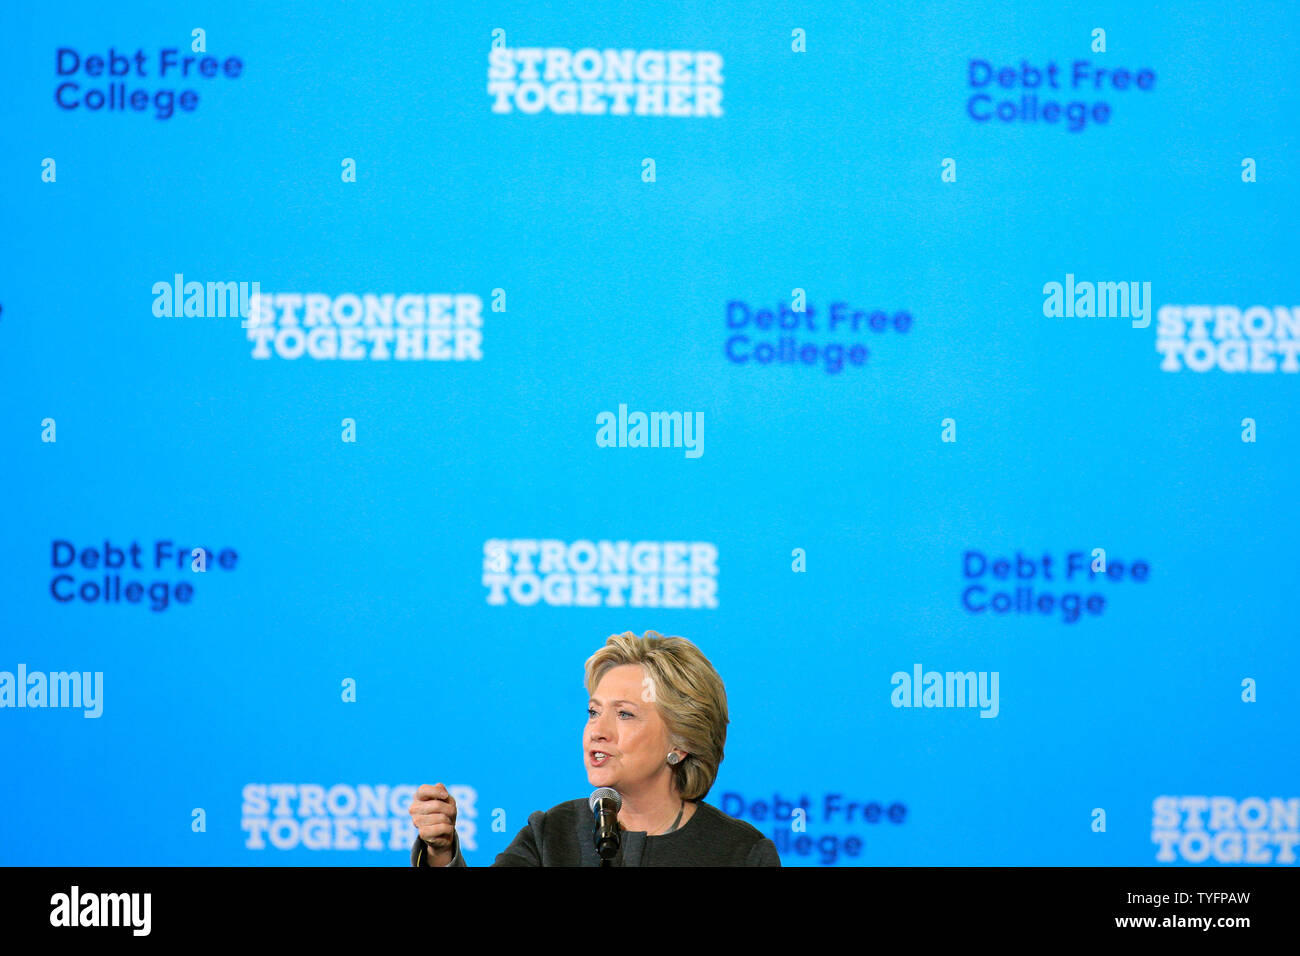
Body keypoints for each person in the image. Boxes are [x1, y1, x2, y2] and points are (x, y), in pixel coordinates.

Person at [408, 630, 780, 866]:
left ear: (681, 743)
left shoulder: (740, 854)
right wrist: (441, 853)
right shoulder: (553, 833)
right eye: (593, 711)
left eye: (625, 714)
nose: (597, 732)